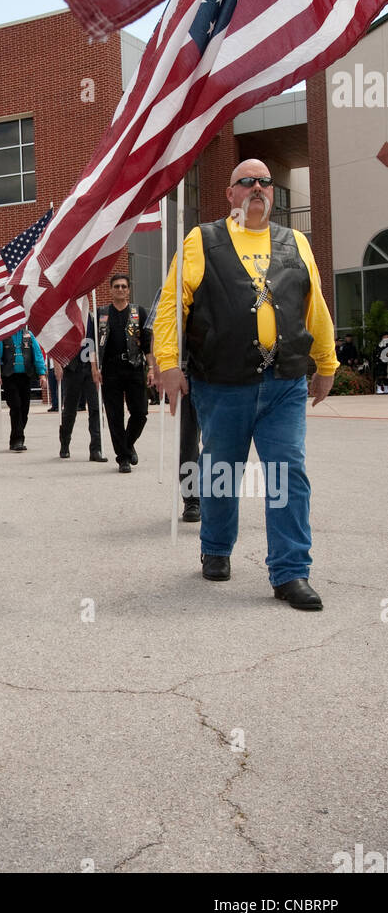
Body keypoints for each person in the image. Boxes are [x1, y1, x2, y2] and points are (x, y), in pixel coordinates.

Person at [156, 159, 338, 611]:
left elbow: (314, 305)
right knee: (221, 472)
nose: (257, 188)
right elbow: (169, 305)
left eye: (264, 182)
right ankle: (216, 548)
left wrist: (326, 362)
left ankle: (291, 572)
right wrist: (167, 363)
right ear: (230, 194)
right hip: (222, 383)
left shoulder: (295, 242)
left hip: (284, 384)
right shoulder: (204, 240)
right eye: (247, 182)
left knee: (287, 474)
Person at [97, 273, 153, 473]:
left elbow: (147, 343)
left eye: (123, 286)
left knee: (140, 413)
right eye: (116, 286)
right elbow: (94, 344)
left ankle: (128, 445)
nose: (120, 289)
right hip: (110, 370)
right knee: (115, 415)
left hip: (134, 367)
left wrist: (152, 368)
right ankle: (123, 459)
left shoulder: (139, 312)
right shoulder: (102, 314)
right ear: (111, 290)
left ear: (128, 290)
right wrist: (95, 369)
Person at [55, 321, 106, 462]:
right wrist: (57, 364)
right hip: (72, 367)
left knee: (96, 408)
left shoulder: (92, 318)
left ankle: (96, 449)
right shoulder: (66, 316)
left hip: (91, 368)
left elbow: (96, 343)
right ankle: (65, 443)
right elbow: (56, 340)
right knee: (70, 410)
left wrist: (96, 367)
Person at [0, 326, 47, 452]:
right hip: (9, 377)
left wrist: (42, 374)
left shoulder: (29, 335)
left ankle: (15, 438)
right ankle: (18, 440)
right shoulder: (1, 336)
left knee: (24, 410)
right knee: (15, 406)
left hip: (25, 377)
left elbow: (37, 355)